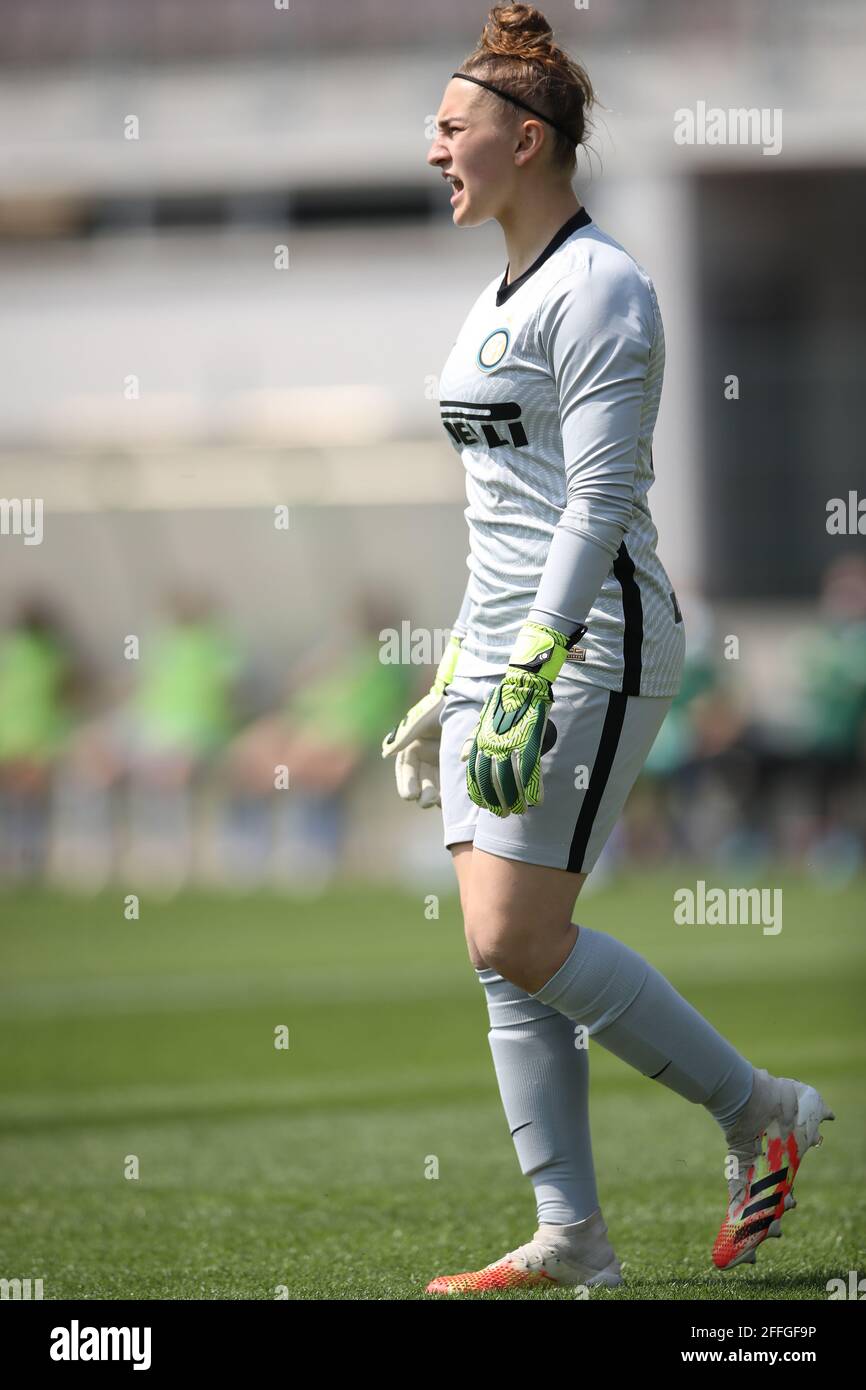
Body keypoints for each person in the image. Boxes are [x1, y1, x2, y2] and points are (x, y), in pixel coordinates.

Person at [382, 3, 833, 1293]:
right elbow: (502, 516)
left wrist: (528, 659)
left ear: (528, 140)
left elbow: (594, 502)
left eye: (452, 127)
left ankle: (759, 1114)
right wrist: (451, 674)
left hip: (590, 644)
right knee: (503, 951)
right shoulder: (493, 299)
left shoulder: (607, 287)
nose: (434, 150)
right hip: (504, 650)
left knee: (514, 934)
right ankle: (573, 1237)